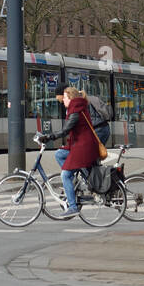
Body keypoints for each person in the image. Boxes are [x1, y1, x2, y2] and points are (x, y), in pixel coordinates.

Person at [42, 86, 101, 218]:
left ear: (70, 97)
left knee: (64, 176)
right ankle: (76, 180)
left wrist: (50, 136)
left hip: (83, 147)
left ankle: (73, 207)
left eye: (65, 97)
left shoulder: (76, 109)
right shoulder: (76, 107)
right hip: (81, 145)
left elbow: (66, 130)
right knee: (59, 154)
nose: (63, 100)